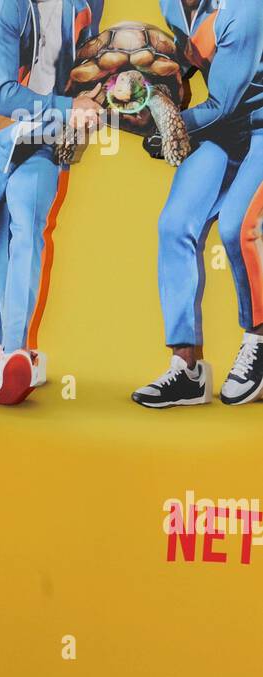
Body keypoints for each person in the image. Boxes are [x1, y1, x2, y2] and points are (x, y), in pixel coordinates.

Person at [0, 0, 105, 405]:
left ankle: (14, 352)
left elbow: (87, 58)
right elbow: (5, 98)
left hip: (43, 136)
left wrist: (100, 93)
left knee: (28, 228)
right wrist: (70, 107)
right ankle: (5, 347)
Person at [133, 0, 263, 408]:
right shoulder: (171, 4)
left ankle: (258, 340)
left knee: (238, 228)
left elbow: (222, 103)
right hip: (226, 128)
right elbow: (185, 56)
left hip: (255, 124)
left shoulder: (245, 9)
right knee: (175, 225)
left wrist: (170, 125)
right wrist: (148, 89)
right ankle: (186, 370)